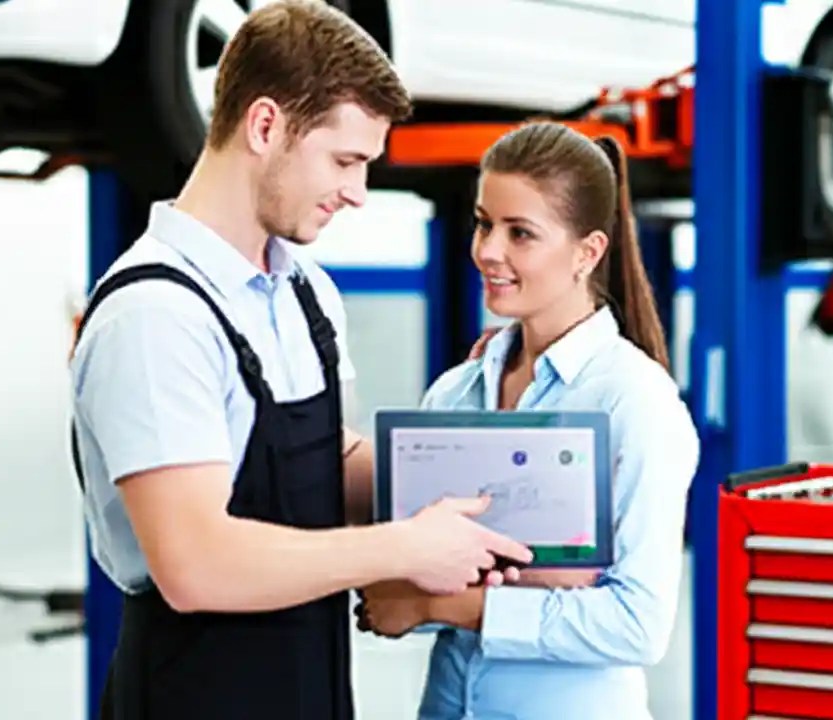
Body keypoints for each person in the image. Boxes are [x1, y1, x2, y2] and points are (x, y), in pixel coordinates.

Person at [68, 3, 531, 718]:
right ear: (264, 126)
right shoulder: (155, 316)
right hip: (194, 696)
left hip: (310, 687)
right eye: (345, 160)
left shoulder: (306, 291)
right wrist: (405, 547)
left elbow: (320, 459)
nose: (357, 192)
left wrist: (489, 471)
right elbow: (196, 562)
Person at [357, 121, 701, 720]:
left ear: (587, 252)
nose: (489, 251)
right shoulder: (455, 395)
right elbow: (395, 598)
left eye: (522, 234)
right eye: (485, 223)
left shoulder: (633, 402)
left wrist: (451, 604)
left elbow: (637, 624)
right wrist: (536, 581)